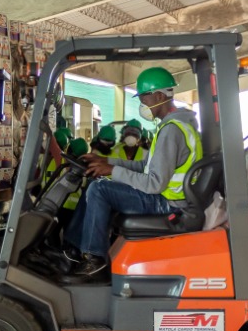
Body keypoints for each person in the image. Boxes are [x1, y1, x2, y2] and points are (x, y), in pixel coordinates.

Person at [63, 66, 201, 282]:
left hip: (168, 203)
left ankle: (94, 259)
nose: (142, 104)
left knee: (99, 189)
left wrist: (112, 171)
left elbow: (154, 184)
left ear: (158, 95)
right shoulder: (174, 126)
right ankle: (72, 249)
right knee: (98, 184)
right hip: (169, 199)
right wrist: (106, 161)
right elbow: (143, 166)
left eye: (143, 97)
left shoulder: (172, 131)